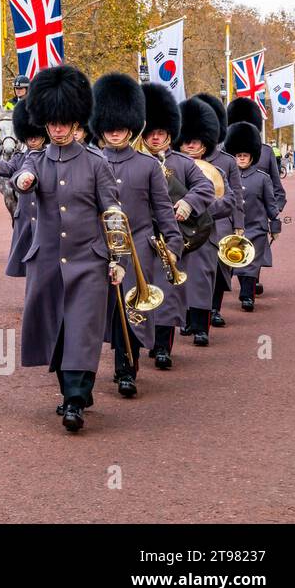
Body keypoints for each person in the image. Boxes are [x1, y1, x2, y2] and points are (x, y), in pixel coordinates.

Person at [12, 65, 124, 433]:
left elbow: (112, 213)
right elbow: (22, 179)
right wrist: (23, 182)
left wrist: (117, 258)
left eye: (64, 123)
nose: (58, 129)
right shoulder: (36, 161)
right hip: (46, 259)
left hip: (88, 260)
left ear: (75, 122)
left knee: (81, 329)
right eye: (52, 123)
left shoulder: (96, 163)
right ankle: (70, 390)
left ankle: (75, 398)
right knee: (55, 330)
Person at [90, 73, 182, 400]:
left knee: (132, 310)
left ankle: (127, 369)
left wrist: (172, 244)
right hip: (98, 248)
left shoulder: (148, 166)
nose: (115, 130)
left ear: (131, 126)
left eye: (120, 124)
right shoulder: (93, 161)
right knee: (103, 311)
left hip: (137, 248)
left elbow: (162, 210)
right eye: (109, 125)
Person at [139, 83, 216, 368]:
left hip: (170, 239)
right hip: (140, 236)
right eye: (151, 132)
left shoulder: (183, 164)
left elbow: (205, 187)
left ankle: (162, 347)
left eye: (161, 132)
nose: (156, 137)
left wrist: (187, 203)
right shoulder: (133, 161)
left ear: (170, 133)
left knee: (168, 293)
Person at [172, 99, 234, 347]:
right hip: (176, 232)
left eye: (195, 141)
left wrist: (201, 211)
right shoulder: (171, 166)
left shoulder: (216, 170)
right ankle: (185, 319)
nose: (189, 145)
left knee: (201, 281)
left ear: (204, 143)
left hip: (205, 234)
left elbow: (229, 200)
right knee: (178, 278)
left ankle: (201, 326)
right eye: (186, 141)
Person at [226, 97, 284, 296]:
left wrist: (272, 213)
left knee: (254, 254)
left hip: (257, 217)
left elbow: (277, 190)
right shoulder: (225, 153)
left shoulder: (265, 152)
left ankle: (250, 283)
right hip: (233, 217)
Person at [0, 101, 46, 279]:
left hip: (44, 216)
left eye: (37, 136)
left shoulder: (51, 156)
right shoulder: (21, 156)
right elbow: (10, 165)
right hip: (26, 216)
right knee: (27, 263)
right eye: (29, 136)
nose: (33, 139)